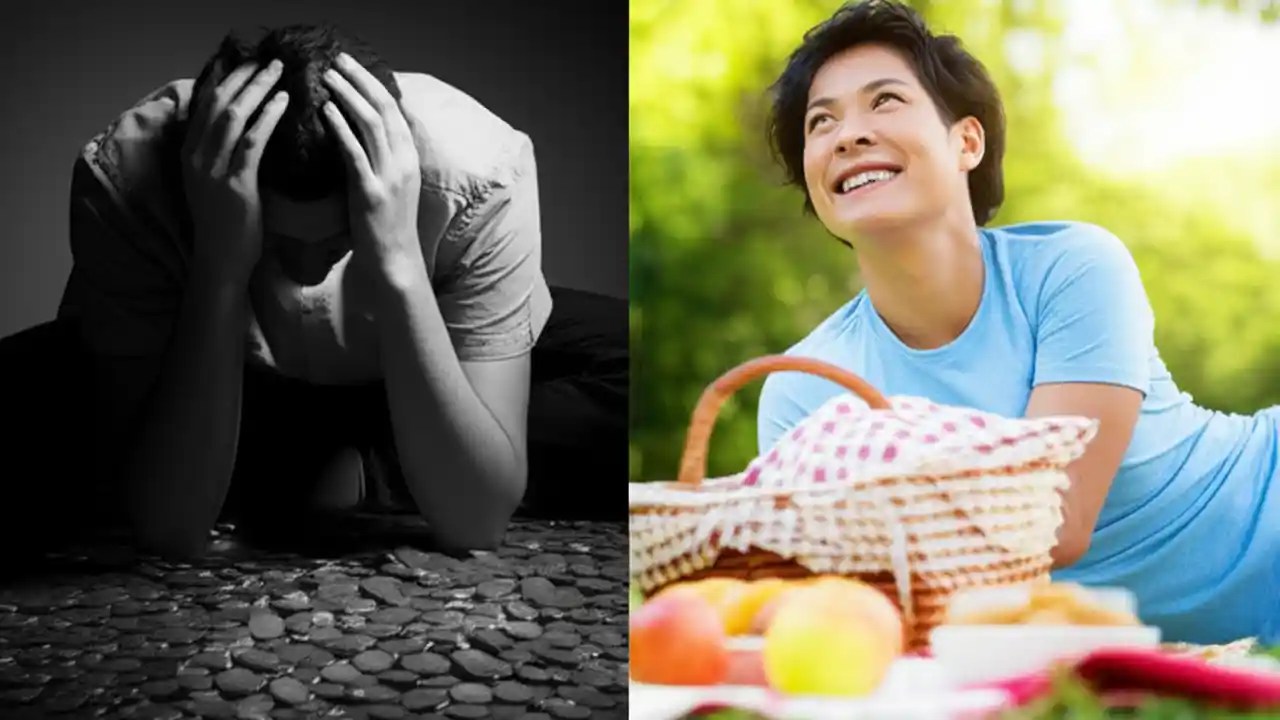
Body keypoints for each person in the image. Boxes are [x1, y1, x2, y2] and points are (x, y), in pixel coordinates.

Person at [754, 0, 1279, 645]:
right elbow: (841, 608)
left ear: (966, 141)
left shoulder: (1072, 267)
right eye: (820, 121)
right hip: (1129, 652)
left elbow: (1052, 522)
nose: (847, 134)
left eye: (885, 101)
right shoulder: (801, 390)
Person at [0, 24, 626, 564]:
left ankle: (346, 469)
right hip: (232, 374)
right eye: (279, 244)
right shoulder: (125, 175)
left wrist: (400, 261)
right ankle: (325, 465)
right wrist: (223, 266)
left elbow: (477, 521)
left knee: (639, 369)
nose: (306, 269)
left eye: (334, 241)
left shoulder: (479, 171)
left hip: (400, 375)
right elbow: (168, 527)